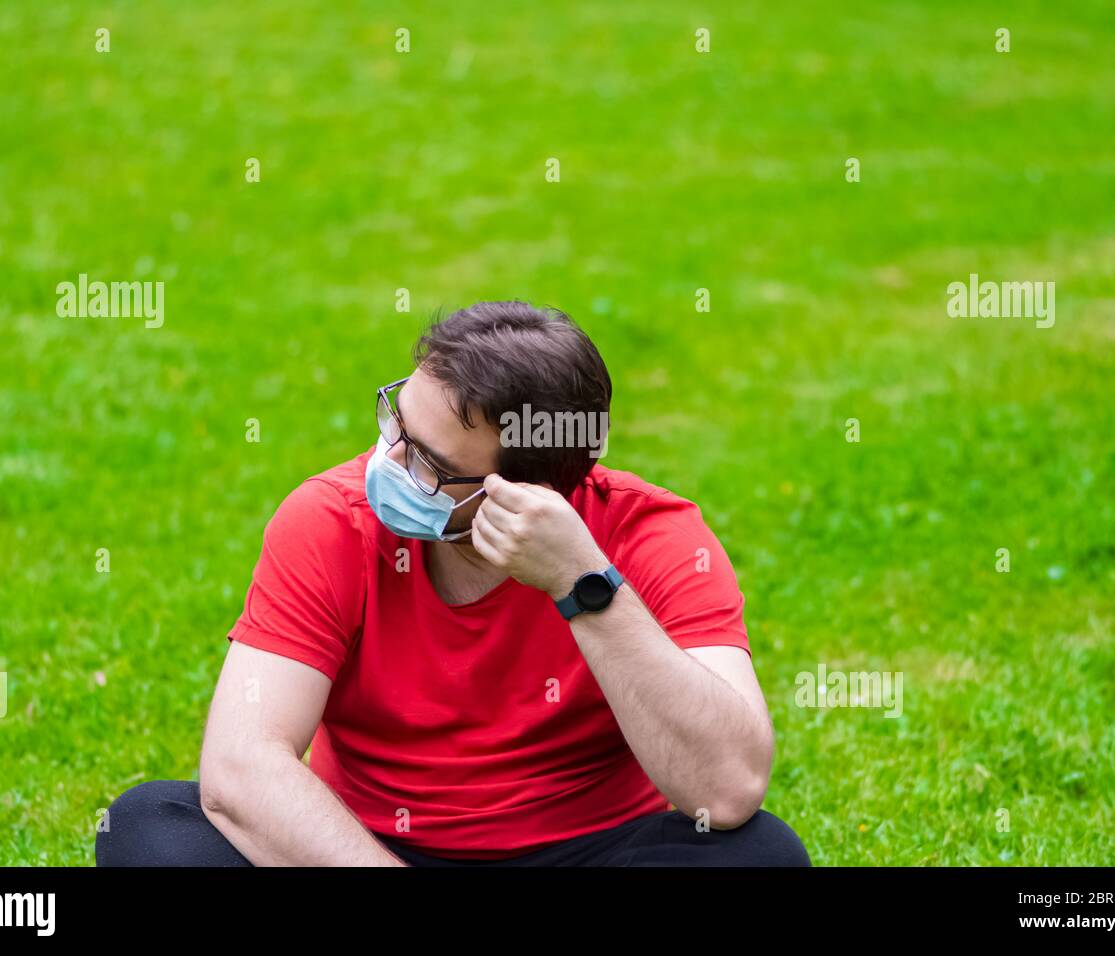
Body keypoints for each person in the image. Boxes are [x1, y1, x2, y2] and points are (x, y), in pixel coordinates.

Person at [96, 300, 809, 867]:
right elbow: (241, 766)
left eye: (429, 465)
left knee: (760, 856)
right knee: (151, 832)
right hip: (363, 848)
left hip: (595, 848)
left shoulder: (653, 536)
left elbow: (728, 788)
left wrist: (583, 584)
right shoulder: (330, 519)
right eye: (395, 422)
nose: (387, 463)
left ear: (523, 492)